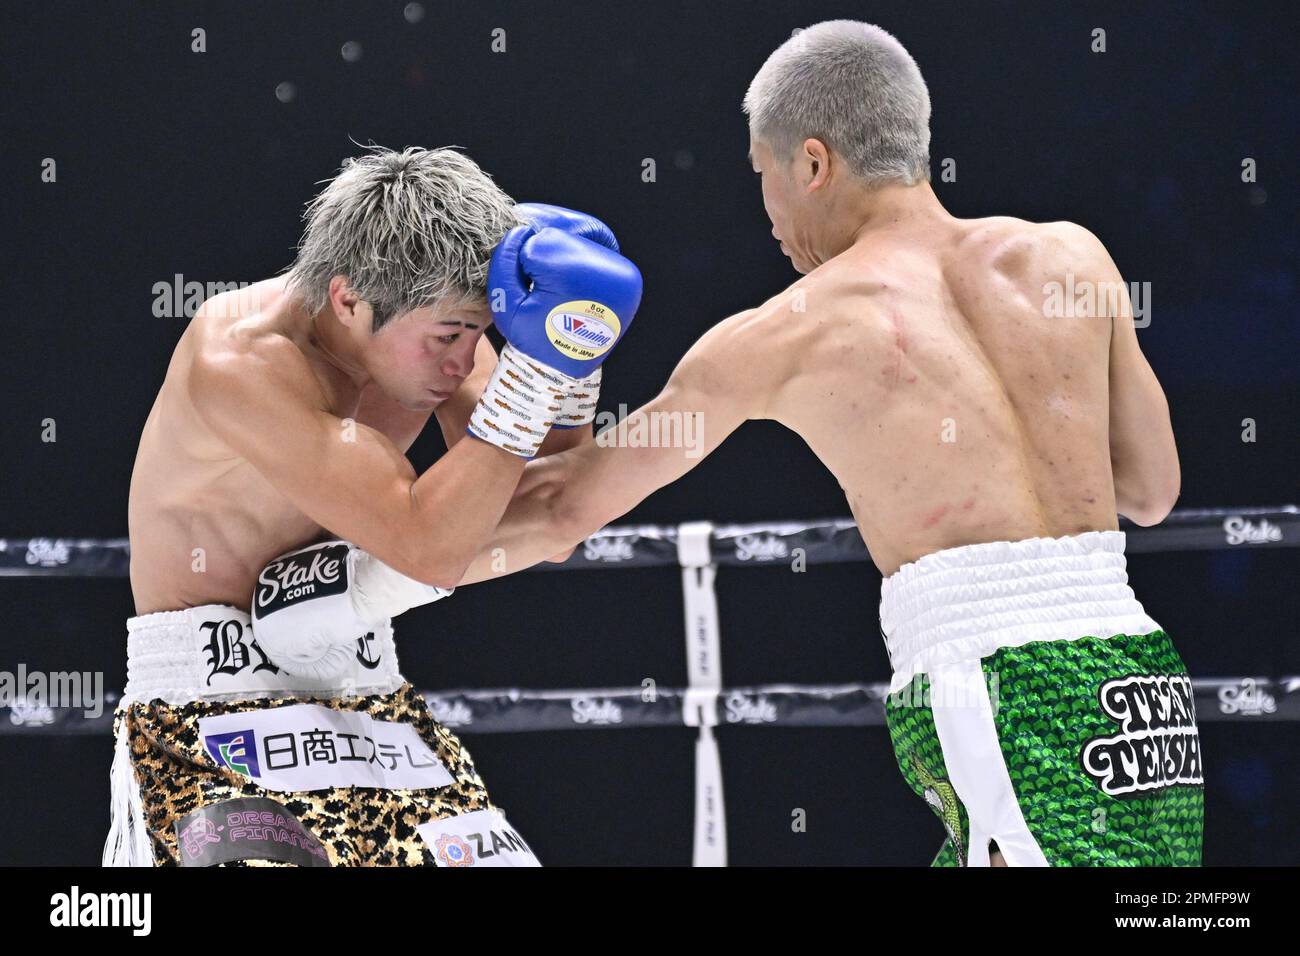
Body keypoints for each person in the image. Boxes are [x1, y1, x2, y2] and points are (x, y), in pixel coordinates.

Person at [463, 21, 1202, 866]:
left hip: (1004, 687)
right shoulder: (1076, 257)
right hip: (1142, 687)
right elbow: (1151, 492)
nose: (769, 216)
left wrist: (548, 363)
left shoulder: (785, 334)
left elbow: (557, 509)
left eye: (762, 175)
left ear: (812, 164)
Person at [105, 144, 641, 866]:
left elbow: (545, 505)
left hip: (367, 695)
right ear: (348, 298)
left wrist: (572, 360)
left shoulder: (431, 324)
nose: (463, 361)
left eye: (480, 333)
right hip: (211, 712)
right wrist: (537, 372)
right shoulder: (239, 360)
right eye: (450, 338)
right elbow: (427, 547)